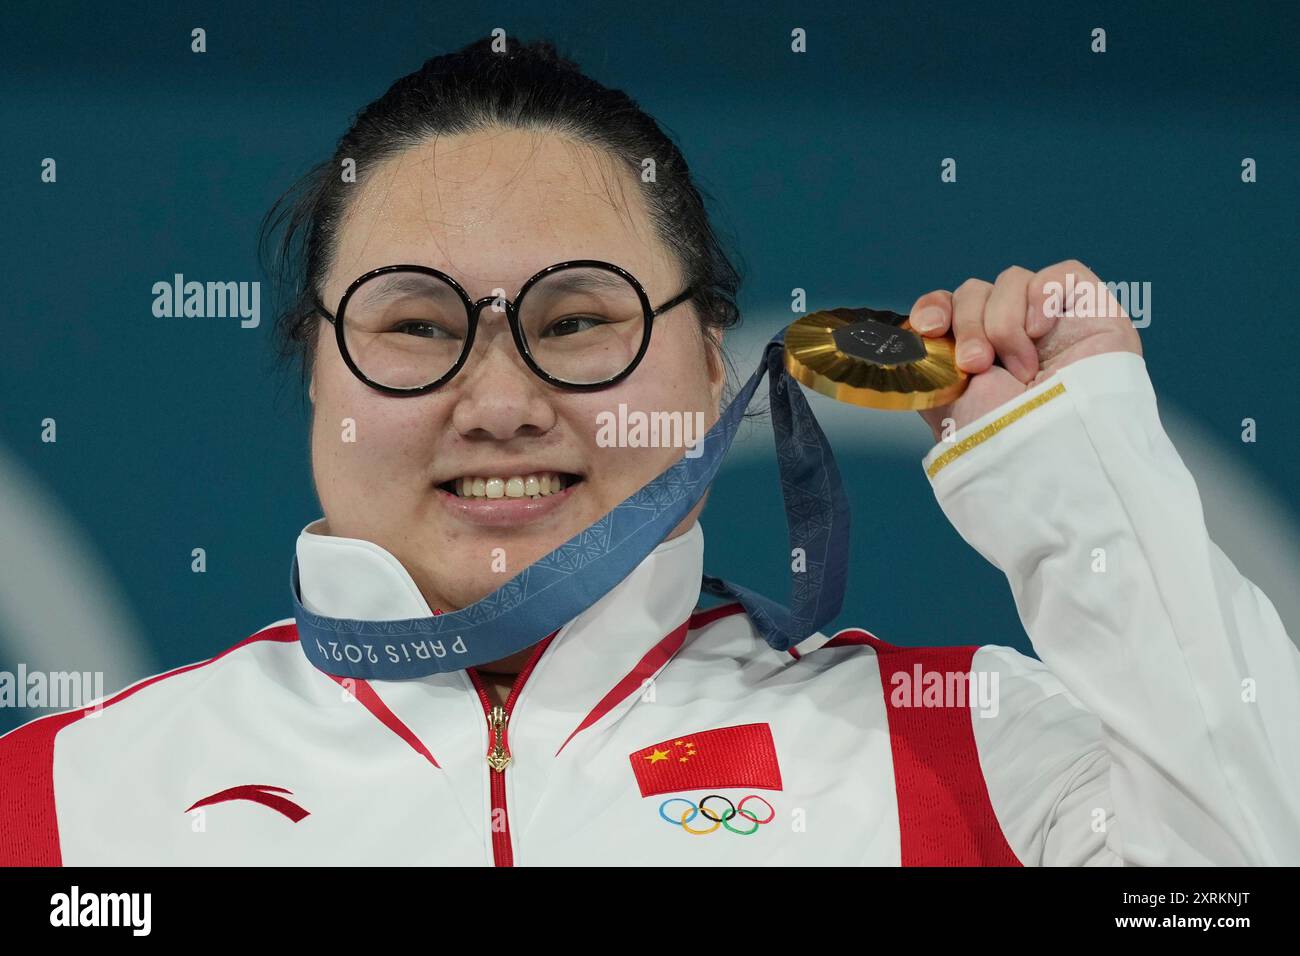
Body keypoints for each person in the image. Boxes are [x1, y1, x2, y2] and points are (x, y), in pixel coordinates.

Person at [2, 36, 1297, 867]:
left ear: (710, 363)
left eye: (578, 322)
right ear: (315, 369)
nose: (499, 399)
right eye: (414, 326)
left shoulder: (970, 753)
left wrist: (1081, 473)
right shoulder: (61, 805)